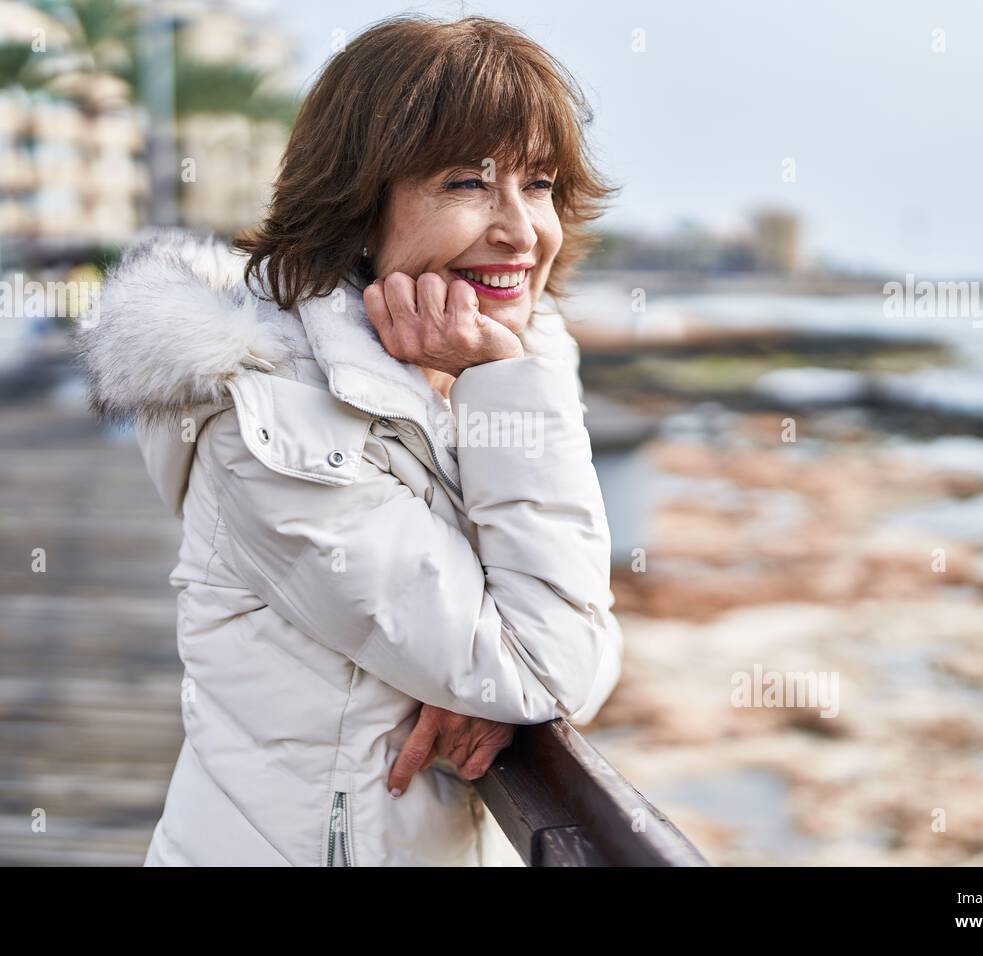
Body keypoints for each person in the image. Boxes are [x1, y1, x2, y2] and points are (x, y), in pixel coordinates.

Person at [78, 14, 623, 866]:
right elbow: (554, 664)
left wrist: (493, 681)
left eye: (542, 184)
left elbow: (558, 646)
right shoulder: (270, 419)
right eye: (467, 184)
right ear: (359, 204)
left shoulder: (465, 371)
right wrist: (500, 673)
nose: (522, 230)